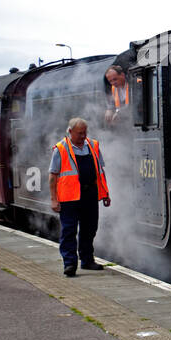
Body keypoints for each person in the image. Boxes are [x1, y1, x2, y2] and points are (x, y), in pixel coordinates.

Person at [48, 117, 111, 277]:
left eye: (85, 132)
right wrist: (54, 199)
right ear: (70, 132)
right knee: (69, 231)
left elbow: (100, 172)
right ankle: (69, 264)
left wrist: (105, 194)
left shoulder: (93, 146)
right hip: (69, 198)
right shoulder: (60, 149)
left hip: (90, 194)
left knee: (90, 228)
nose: (83, 136)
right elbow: (52, 176)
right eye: (79, 133)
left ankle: (87, 260)